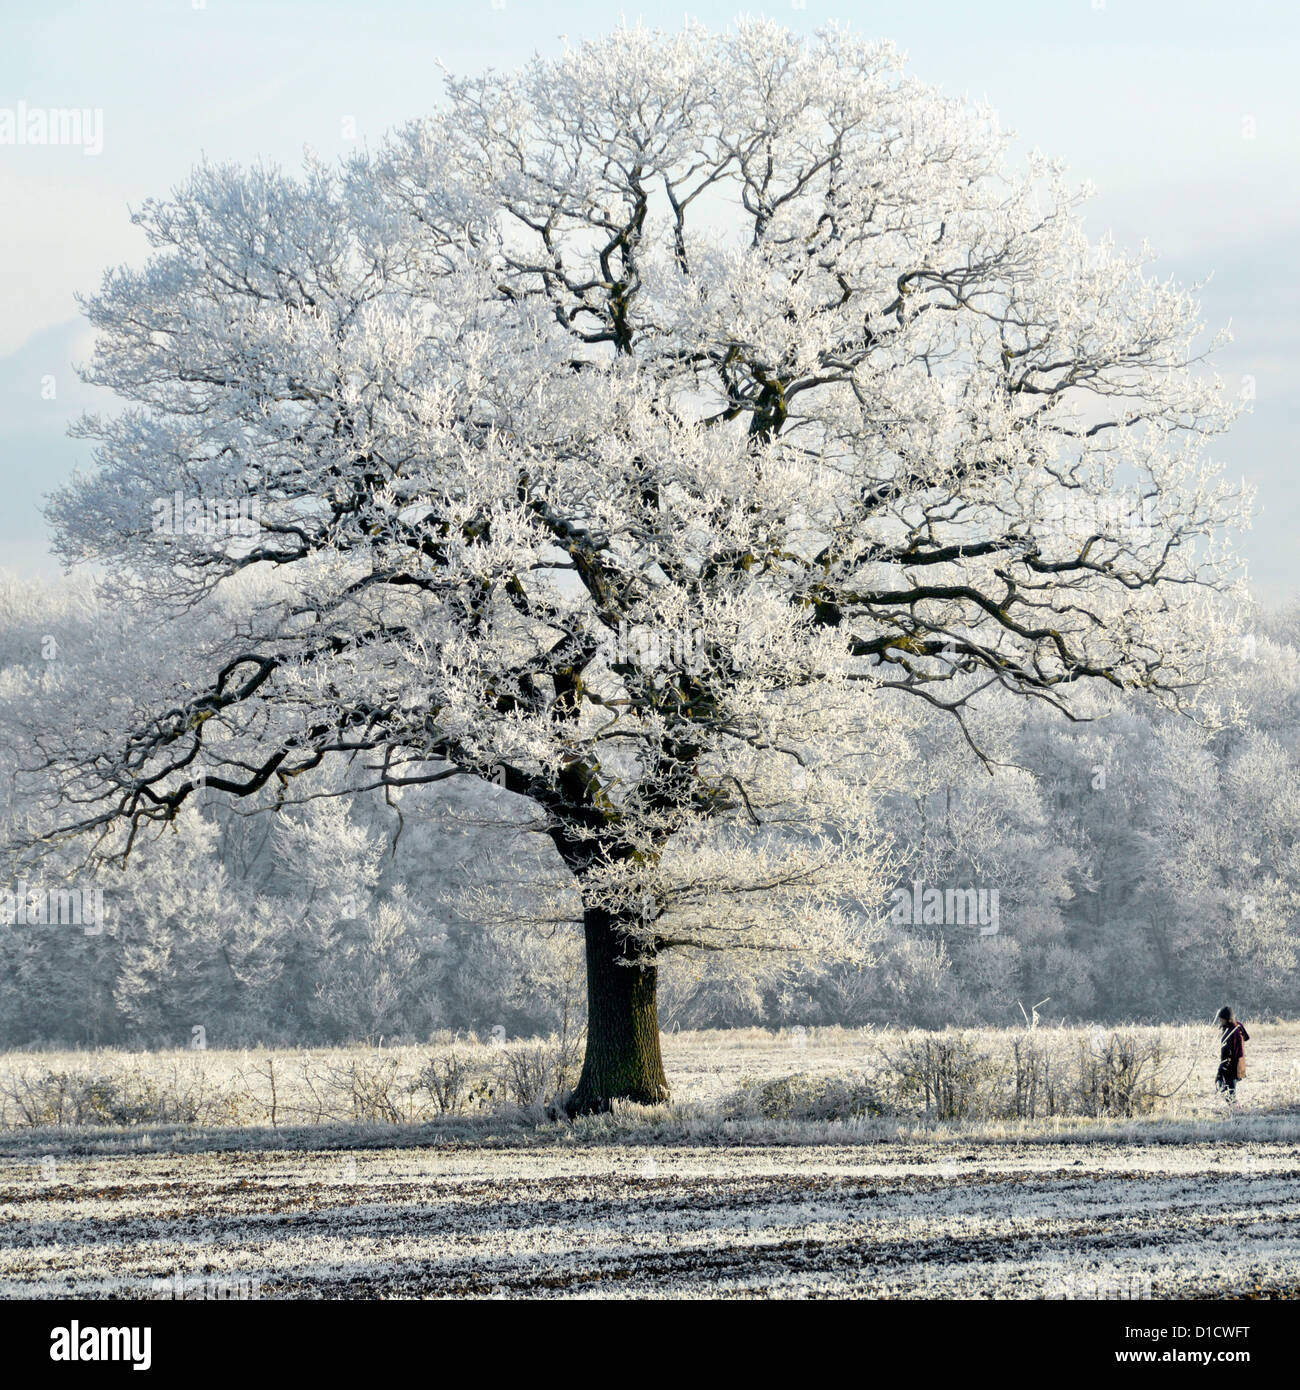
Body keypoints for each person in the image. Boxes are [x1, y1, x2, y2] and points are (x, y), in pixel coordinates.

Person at [1215, 1006, 1249, 1100]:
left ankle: (1235, 1110)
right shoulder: (1229, 1028)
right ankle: (1234, 1109)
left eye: (1222, 1018)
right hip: (1229, 1065)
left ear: (1227, 1019)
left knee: (1230, 1094)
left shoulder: (1235, 1032)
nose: (1220, 1020)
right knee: (1226, 1092)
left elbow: (1237, 1053)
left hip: (1232, 1066)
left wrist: (1225, 1068)